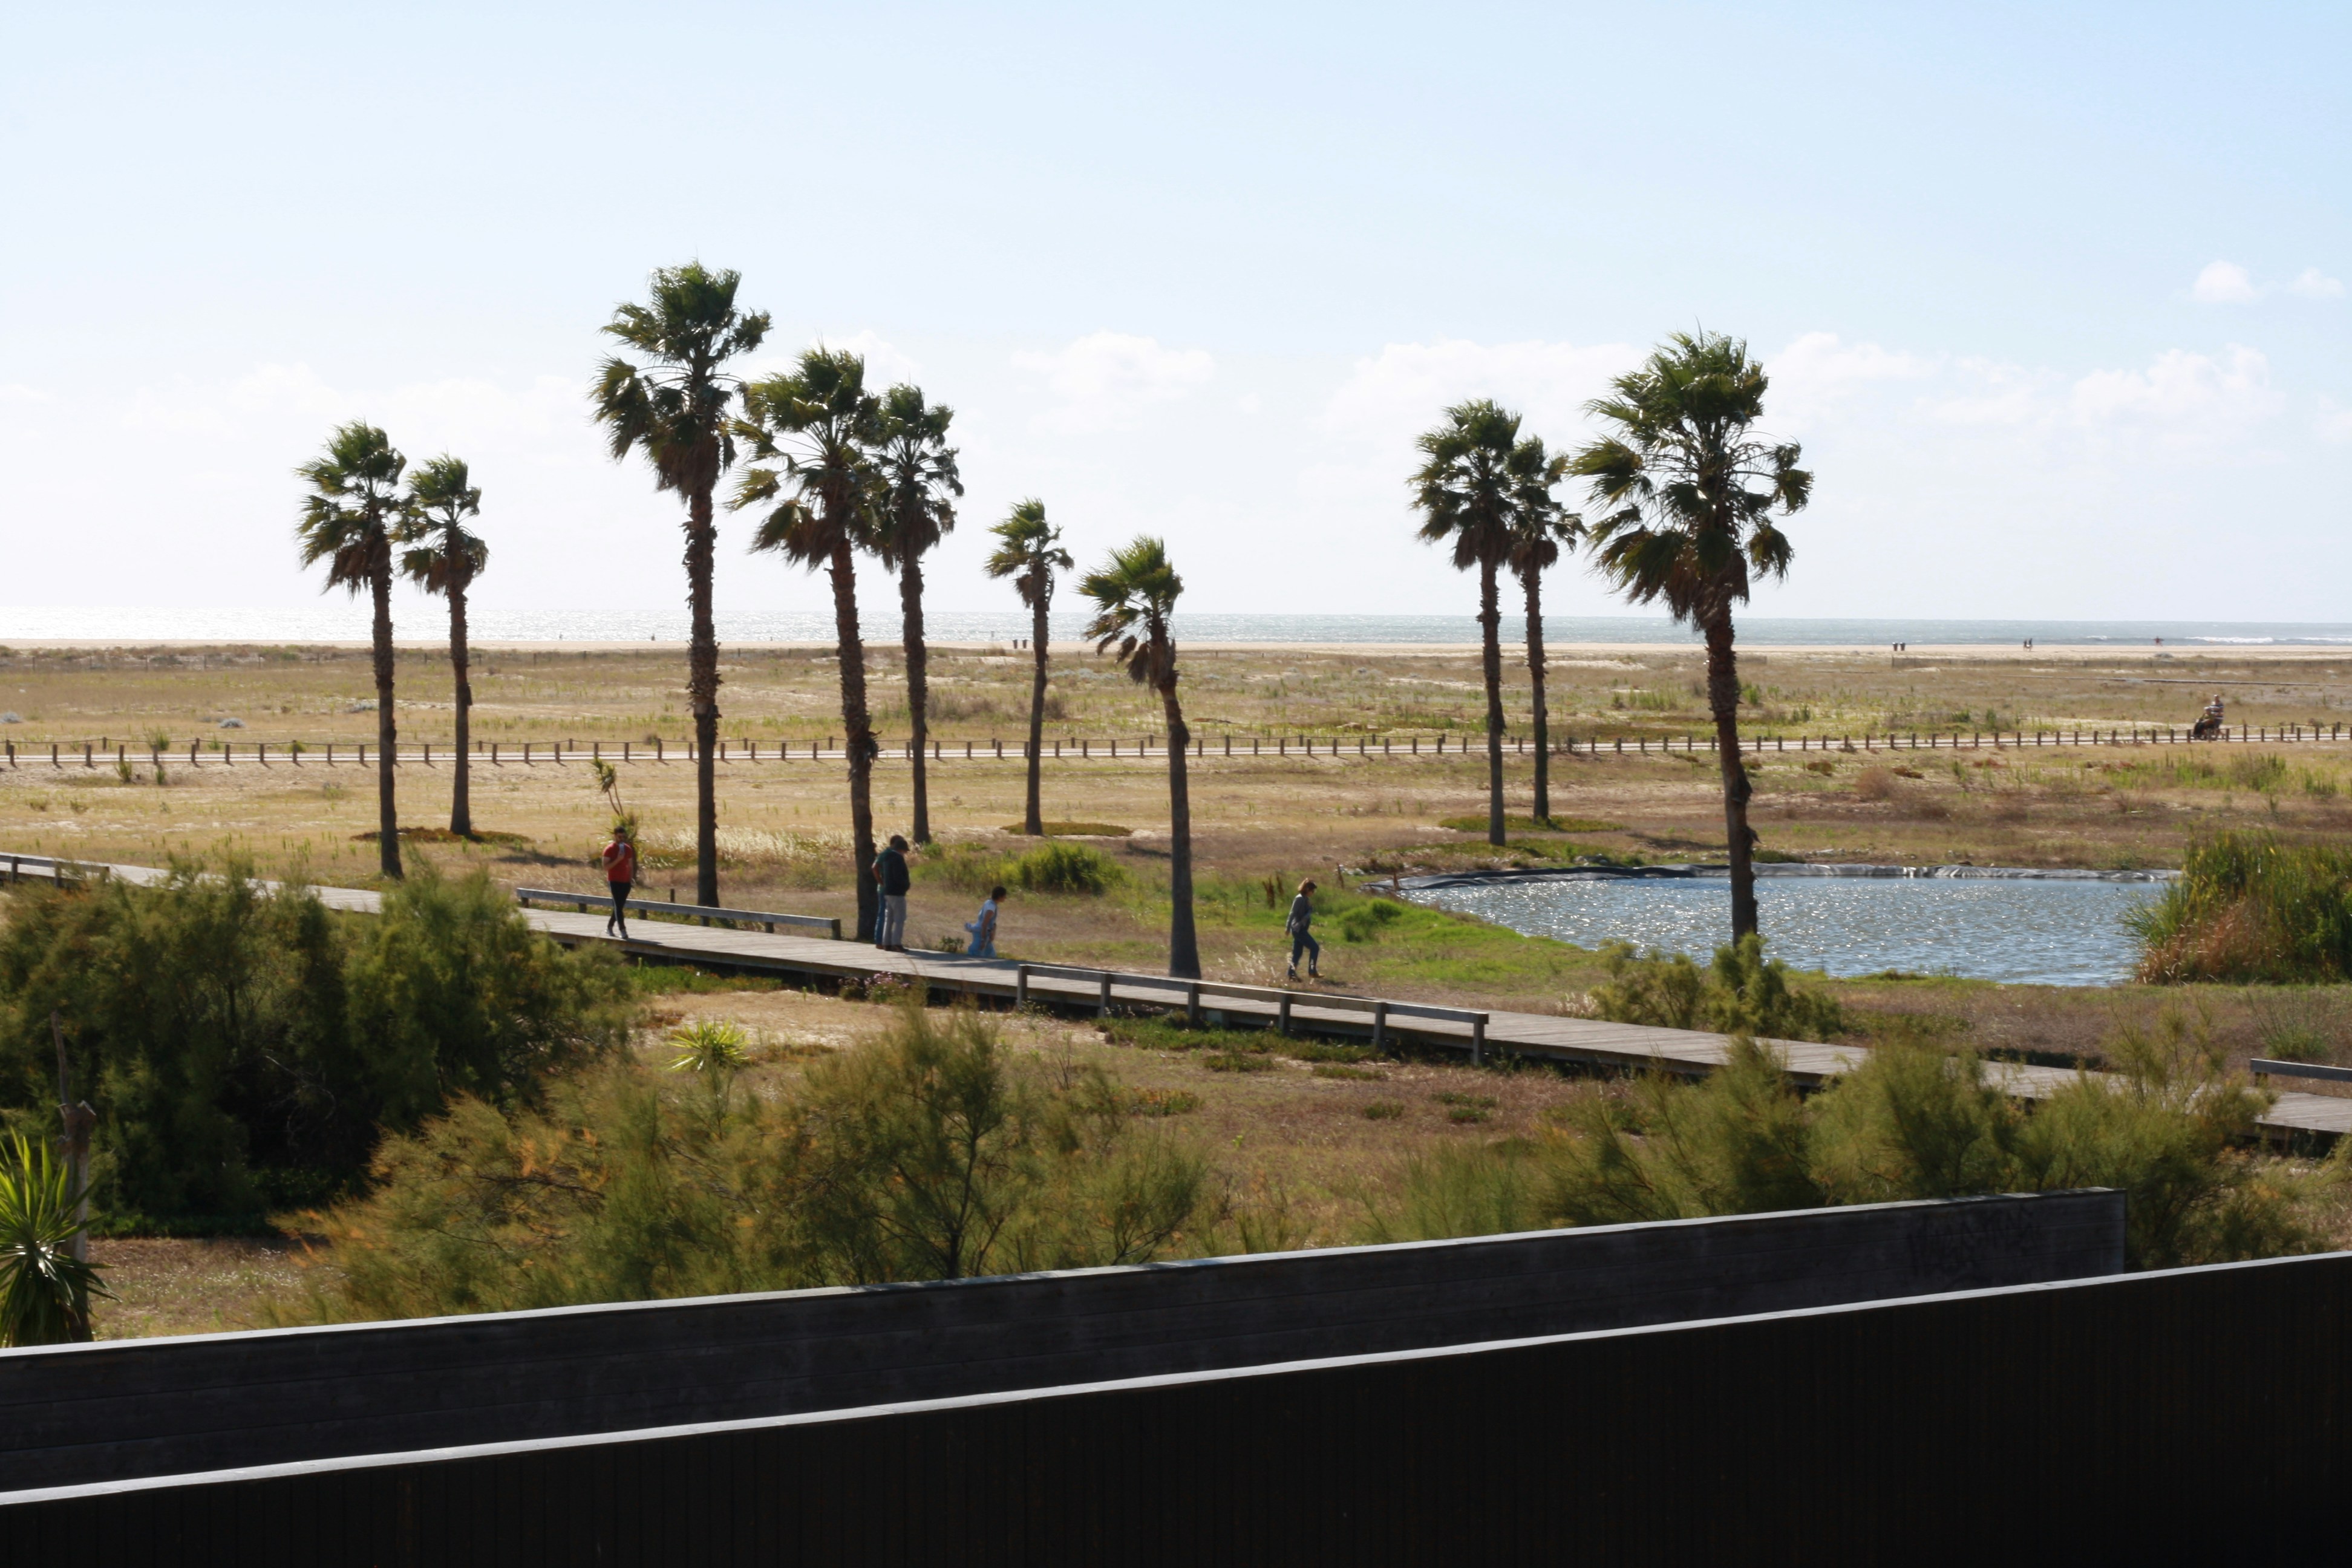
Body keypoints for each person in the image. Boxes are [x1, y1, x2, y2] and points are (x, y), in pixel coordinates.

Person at [872, 834, 911, 950]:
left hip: (887, 891)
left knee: (888, 918)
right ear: (901, 849)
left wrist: (884, 884)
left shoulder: (887, 857)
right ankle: (896, 943)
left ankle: (886, 943)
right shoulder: (897, 858)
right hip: (896, 892)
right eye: (905, 851)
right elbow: (898, 876)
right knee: (900, 919)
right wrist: (906, 885)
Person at [597, 825, 635, 938]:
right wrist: (618, 859)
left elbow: (631, 865)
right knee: (618, 906)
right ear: (615, 836)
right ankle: (623, 930)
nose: (621, 839)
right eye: (619, 837)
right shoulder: (609, 849)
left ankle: (609, 927)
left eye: (623, 837)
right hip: (614, 881)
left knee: (619, 906)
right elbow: (605, 867)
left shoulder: (628, 849)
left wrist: (631, 879)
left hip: (626, 881)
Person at [1285, 878, 1320, 981]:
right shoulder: (1300, 898)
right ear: (1308, 889)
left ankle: (1291, 974)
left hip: (1300, 929)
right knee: (1315, 948)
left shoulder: (1305, 899)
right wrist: (1287, 927)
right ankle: (1312, 971)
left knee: (1297, 953)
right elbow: (1292, 913)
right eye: (1312, 891)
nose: (1313, 893)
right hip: (1298, 929)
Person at [967, 884, 1005, 959]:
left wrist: (993, 932)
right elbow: (985, 924)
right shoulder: (991, 908)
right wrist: (983, 940)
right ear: (1000, 896)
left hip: (986, 934)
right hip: (982, 933)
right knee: (974, 953)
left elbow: (992, 923)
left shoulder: (989, 902)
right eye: (1004, 896)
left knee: (991, 955)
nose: (1005, 898)